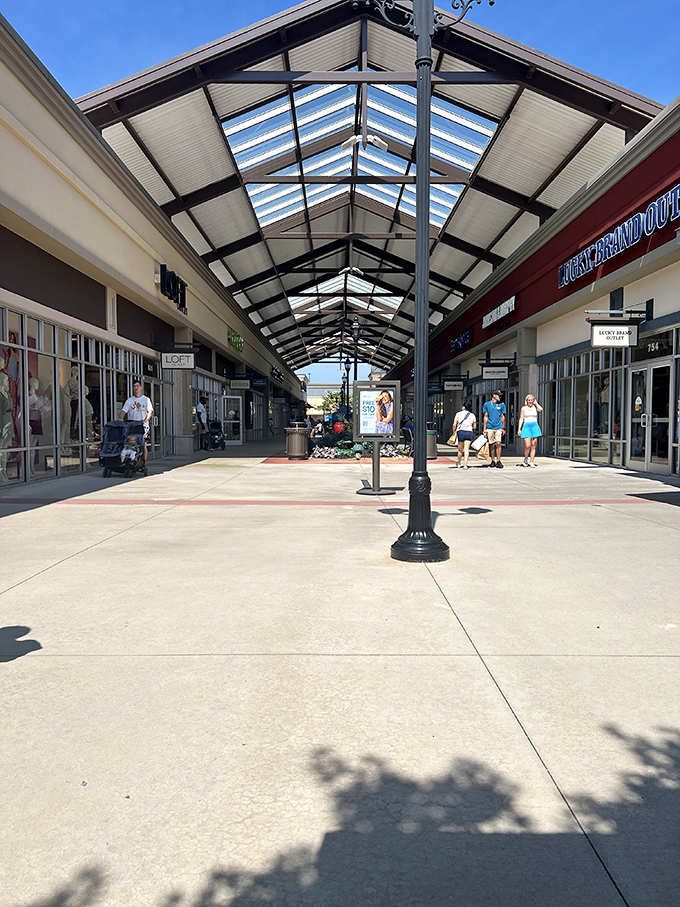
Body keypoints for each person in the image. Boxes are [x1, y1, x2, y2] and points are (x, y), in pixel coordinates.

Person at [120, 379, 153, 458]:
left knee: (143, 444)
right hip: (132, 425)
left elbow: (150, 411)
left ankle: (143, 461)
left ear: (141, 387)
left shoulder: (146, 399)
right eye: (134, 386)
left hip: (142, 425)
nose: (136, 388)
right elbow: (123, 411)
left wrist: (146, 420)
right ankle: (129, 459)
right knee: (130, 443)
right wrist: (121, 418)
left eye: (137, 386)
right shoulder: (130, 400)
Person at [517, 393, 543, 467]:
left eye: (531, 400)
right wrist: (519, 429)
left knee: (533, 445)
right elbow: (521, 418)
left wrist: (536, 403)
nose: (530, 402)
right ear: (526, 401)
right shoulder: (524, 408)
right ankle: (526, 458)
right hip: (526, 426)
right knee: (527, 445)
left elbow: (541, 409)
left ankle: (532, 461)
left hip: (534, 426)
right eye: (529, 400)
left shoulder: (535, 407)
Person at [482, 391, 506, 468]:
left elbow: (502, 416)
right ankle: (492, 460)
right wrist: (484, 428)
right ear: (494, 395)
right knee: (491, 444)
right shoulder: (487, 405)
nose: (500, 397)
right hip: (490, 426)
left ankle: (498, 460)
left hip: (498, 427)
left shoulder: (501, 405)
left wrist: (503, 428)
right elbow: (485, 416)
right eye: (498, 395)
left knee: (498, 443)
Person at [452, 401, 476, 469]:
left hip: (461, 432)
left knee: (460, 450)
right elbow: (474, 426)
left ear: (463, 407)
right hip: (469, 432)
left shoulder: (458, 414)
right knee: (466, 449)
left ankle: (459, 463)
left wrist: (454, 432)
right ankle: (465, 465)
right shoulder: (472, 415)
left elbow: (454, 425)